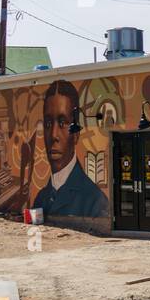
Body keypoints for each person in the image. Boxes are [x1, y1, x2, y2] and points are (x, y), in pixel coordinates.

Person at [32, 80, 109, 217]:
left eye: (62, 123)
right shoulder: (41, 198)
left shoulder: (94, 201)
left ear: (76, 134)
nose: (54, 135)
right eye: (48, 124)